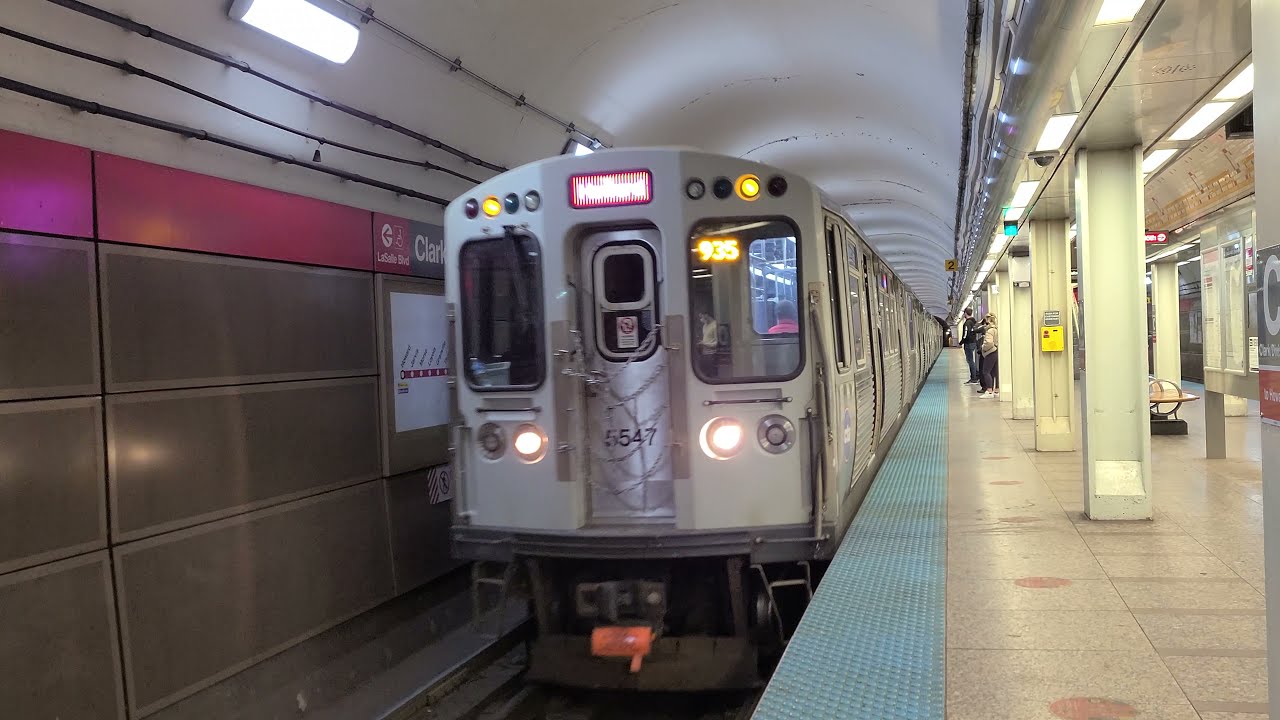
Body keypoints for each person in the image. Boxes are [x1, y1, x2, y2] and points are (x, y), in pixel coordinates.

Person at [979, 313, 999, 398]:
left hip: (990, 352)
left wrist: (983, 347)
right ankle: (997, 391)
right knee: (995, 372)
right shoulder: (996, 329)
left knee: (986, 371)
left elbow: (989, 342)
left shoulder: (990, 330)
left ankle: (989, 391)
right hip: (996, 351)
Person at [960, 308, 980, 384]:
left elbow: (965, 334)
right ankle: (976, 375)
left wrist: (961, 342)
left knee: (970, 360)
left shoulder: (967, 323)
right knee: (972, 360)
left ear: (965, 313)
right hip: (973, 342)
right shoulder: (974, 322)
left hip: (968, 343)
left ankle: (974, 378)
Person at [697, 311, 718, 377]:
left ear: (706, 315)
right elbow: (707, 339)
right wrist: (702, 342)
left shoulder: (715, 325)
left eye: (701, 317)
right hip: (704, 353)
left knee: (712, 375)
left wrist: (705, 344)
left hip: (712, 354)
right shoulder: (705, 326)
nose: (701, 319)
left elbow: (716, 343)